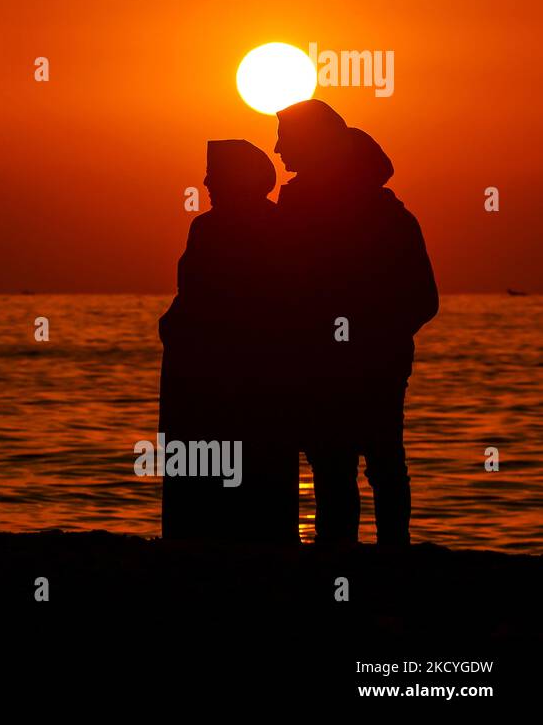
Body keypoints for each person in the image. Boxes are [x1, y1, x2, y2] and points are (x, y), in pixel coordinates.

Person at [274, 101, 437, 546]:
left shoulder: (386, 217)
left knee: (375, 460)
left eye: (285, 137)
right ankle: (342, 557)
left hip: (371, 364)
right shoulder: (292, 213)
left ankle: (385, 557)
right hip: (324, 363)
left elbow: (423, 299)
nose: (277, 149)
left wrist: (373, 340)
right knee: (333, 463)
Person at [158, 139, 299, 542]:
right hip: (227, 371)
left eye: (214, 174)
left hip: (223, 374)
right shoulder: (268, 225)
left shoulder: (216, 229)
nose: (205, 182)